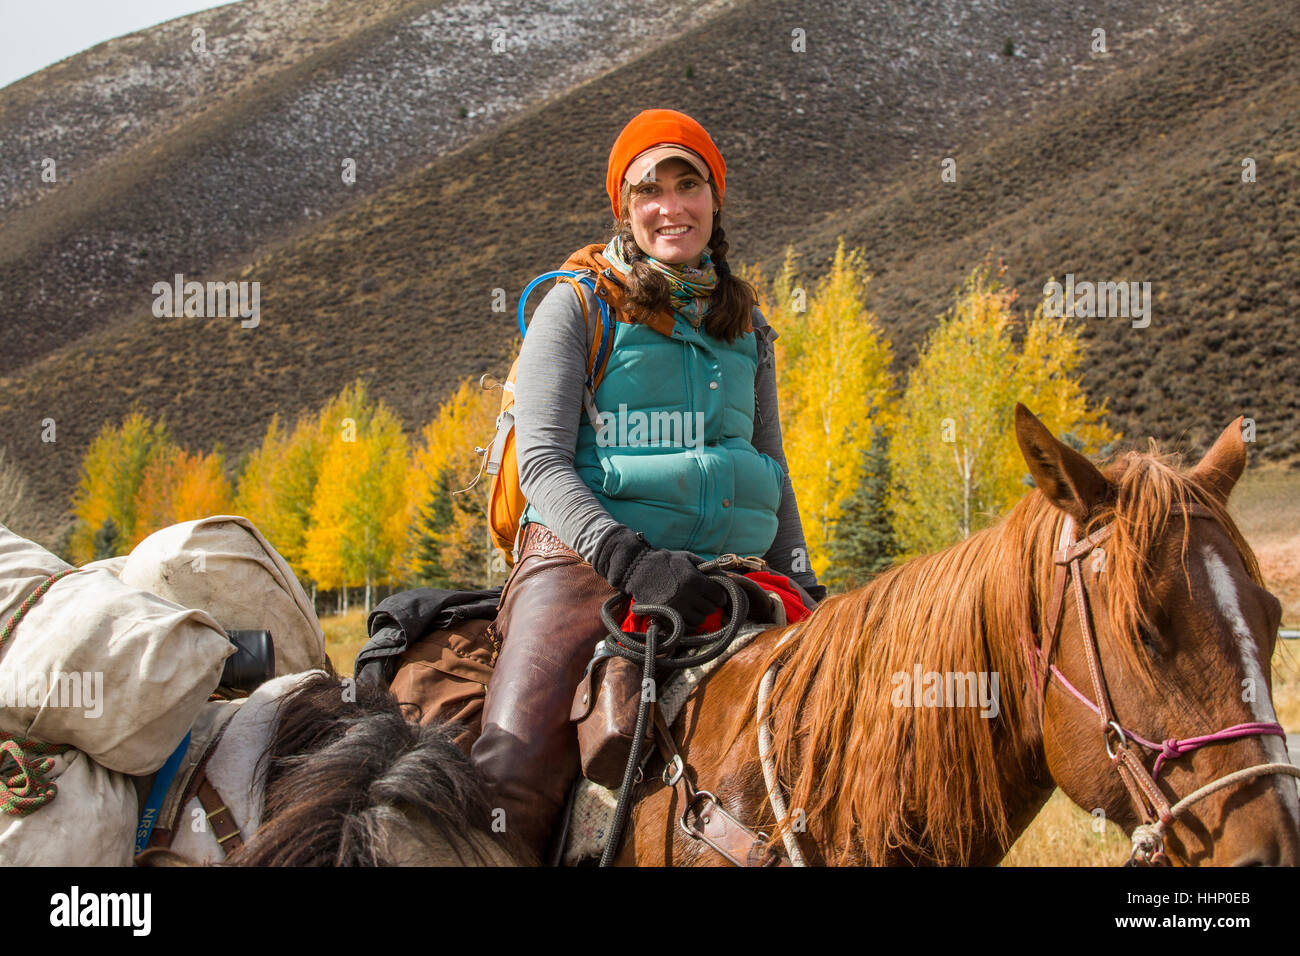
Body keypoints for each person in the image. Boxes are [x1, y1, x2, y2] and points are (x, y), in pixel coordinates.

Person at [469, 108, 824, 862]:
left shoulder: (748, 325)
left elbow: (770, 466)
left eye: (687, 183)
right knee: (507, 779)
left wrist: (805, 584)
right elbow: (541, 463)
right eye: (648, 191)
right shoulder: (578, 303)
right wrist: (628, 560)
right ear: (625, 211)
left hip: (734, 571)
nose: (670, 206)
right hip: (585, 566)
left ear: (714, 198)